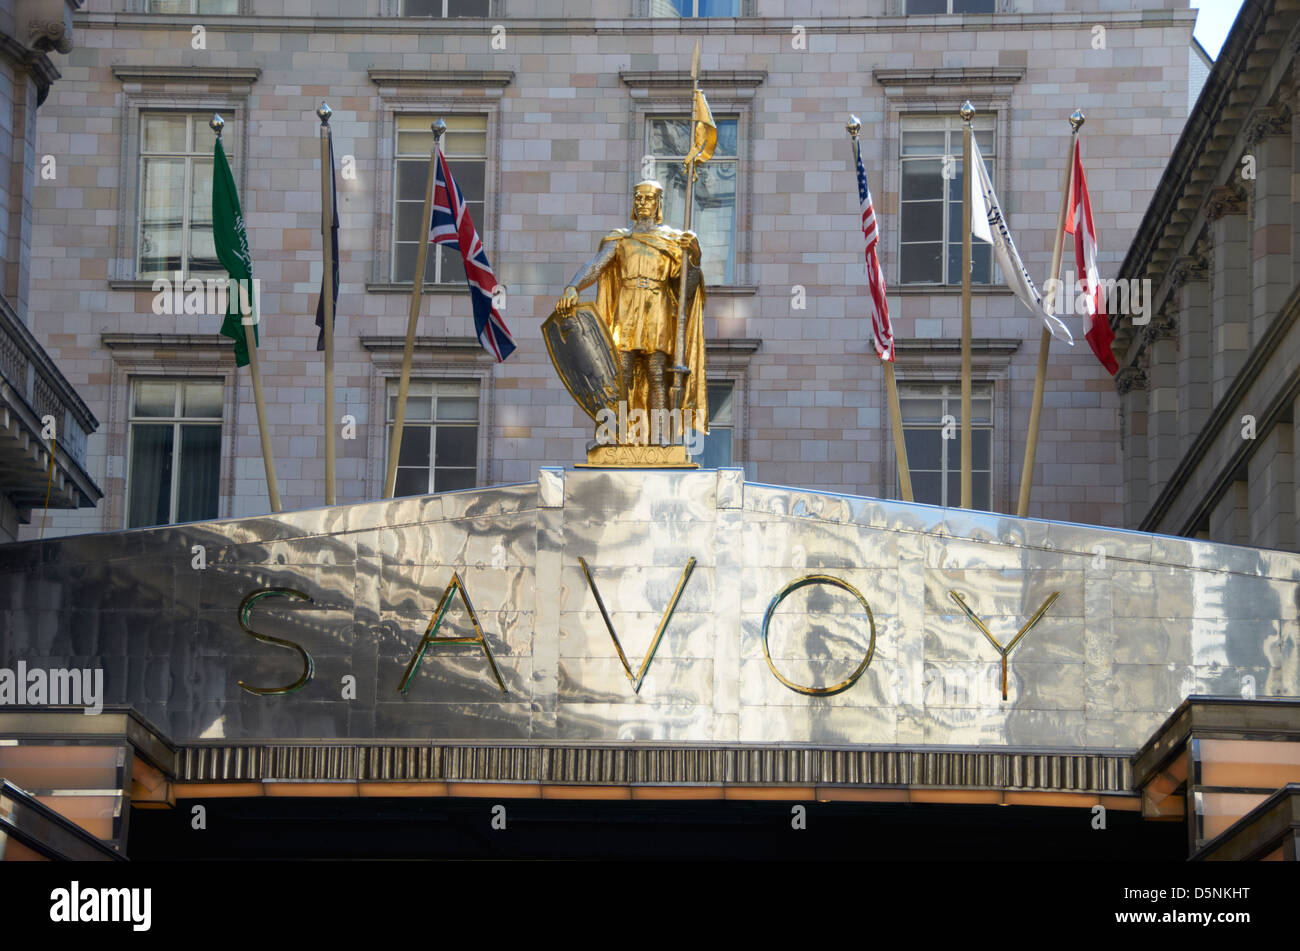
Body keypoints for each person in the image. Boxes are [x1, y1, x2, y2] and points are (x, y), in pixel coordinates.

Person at [556, 180, 708, 440]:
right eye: (638, 198)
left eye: (648, 199)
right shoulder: (621, 239)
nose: (642, 203)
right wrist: (573, 286)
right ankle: (614, 434)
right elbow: (595, 265)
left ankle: (659, 437)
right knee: (620, 373)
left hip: (657, 307)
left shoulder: (672, 241)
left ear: (658, 203)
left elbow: (687, 288)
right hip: (626, 307)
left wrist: (693, 257)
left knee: (656, 373)